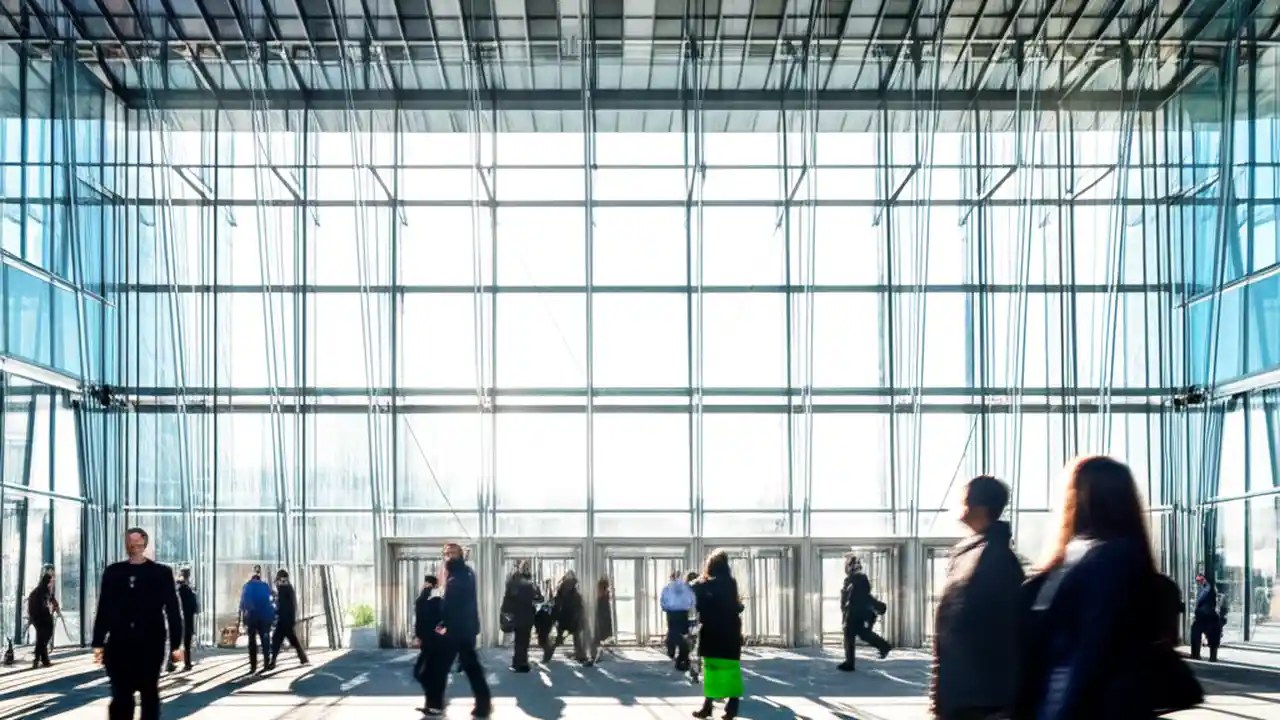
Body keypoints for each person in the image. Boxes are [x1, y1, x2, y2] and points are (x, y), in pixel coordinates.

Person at [1015, 456, 1178, 720]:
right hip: (1067, 701)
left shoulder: (1110, 559)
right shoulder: (1081, 555)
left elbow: (1092, 648)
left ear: (1082, 496)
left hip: (1080, 705)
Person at [929, 475, 1026, 720]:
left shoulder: (996, 558)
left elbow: (1005, 633)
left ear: (980, 507)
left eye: (965, 498)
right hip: (962, 694)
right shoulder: (971, 553)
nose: (959, 504)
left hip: (981, 699)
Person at [91, 528, 183, 720]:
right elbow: (104, 608)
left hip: (150, 643)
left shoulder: (161, 573)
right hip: (119, 643)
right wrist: (98, 642)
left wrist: (176, 644)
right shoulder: (113, 573)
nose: (134, 547)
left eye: (138, 544)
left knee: (149, 691)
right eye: (130, 544)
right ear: (126, 545)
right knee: (121, 694)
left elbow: (173, 610)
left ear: (144, 545)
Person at [438, 542, 491, 718]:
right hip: (461, 628)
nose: (449, 556)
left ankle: (435, 704)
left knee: (444, 667)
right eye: (446, 553)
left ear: (460, 554)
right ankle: (483, 704)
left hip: (459, 629)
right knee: (469, 667)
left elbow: (453, 602)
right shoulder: (460, 572)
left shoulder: (460, 574)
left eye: (452, 553)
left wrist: (441, 618)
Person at [692, 549, 743, 720]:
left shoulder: (706, 585)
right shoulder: (731, 583)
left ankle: (707, 707)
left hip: (713, 633)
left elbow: (696, 595)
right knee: (731, 671)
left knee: (711, 672)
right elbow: (734, 605)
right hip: (730, 633)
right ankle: (732, 708)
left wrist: (699, 581)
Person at [838, 556, 891, 670]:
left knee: (851, 634)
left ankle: (850, 663)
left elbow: (862, 597)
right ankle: (883, 646)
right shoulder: (854, 580)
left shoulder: (857, 580)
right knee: (861, 633)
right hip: (855, 611)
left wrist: (876, 606)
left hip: (855, 612)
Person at [413, 574, 446, 716]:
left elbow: (447, 621)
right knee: (424, 673)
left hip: (434, 644)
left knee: (429, 674)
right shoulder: (425, 601)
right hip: (428, 643)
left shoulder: (437, 602)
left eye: (426, 584)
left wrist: (439, 633)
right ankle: (431, 704)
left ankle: (435, 705)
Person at [500, 562, 540, 673]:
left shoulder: (514, 583)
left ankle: (518, 664)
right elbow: (538, 597)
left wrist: (505, 613)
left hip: (518, 616)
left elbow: (508, 599)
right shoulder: (531, 584)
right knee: (525, 640)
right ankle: (523, 663)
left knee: (519, 641)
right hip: (528, 616)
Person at [546, 570, 589, 664]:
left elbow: (578, 606)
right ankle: (548, 655)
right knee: (560, 639)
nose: (571, 584)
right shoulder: (564, 592)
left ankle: (581, 656)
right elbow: (558, 605)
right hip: (565, 618)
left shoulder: (569, 592)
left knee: (574, 638)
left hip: (569, 618)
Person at [239, 568, 276, 674]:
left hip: (252, 616)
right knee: (265, 639)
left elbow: (243, 603)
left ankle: (253, 665)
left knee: (252, 641)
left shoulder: (247, 586)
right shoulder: (265, 586)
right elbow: (272, 597)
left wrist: (242, 619)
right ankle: (266, 662)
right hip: (264, 616)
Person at [271, 570, 308, 668]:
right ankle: (303, 658)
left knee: (280, 640)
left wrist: (277, 612)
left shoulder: (284, 589)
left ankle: (273, 662)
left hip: (285, 621)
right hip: (287, 620)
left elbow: (283, 605)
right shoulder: (288, 588)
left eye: (279, 579)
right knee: (285, 640)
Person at [661, 569, 696, 671]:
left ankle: (671, 647)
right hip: (683, 613)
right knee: (683, 635)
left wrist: (665, 607)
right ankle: (682, 657)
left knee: (673, 631)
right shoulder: (686, 588)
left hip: (671, 612)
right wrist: (690, 607)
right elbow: (692, 599)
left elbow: (663, 600)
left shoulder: (667, 587)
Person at [26, 568, 58, 669]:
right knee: (44, 636)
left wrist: (54, 604)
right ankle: (37, 659)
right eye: (52, 581)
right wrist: (53, 608)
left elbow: (51, 598)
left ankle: (44, 660)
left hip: (35, 617)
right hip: (41, 617)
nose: (53, 583)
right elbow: (44, 603)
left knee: (42, 637)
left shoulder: (40, 590)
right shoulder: (43, 591)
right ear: (48, 582)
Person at [1190, 573, 1223, 662]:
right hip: (1206, 615)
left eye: (1200, 580)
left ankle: (1197, 654)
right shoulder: (1208, 588)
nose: (1199, 582)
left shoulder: (1207, 588)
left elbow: (1201, 600)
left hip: (1205, 615)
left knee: (1198, 633)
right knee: (1211, 634)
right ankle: (1210, 656)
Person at [173, 569, 200, 672]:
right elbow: (193, 606)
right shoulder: (186, 589)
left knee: (182, 642)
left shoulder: (180, 588)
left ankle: (180, 663)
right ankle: (186, 663)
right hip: (186, 618)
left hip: (182, 618)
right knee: (186, 642)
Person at [592, 576, 613, 662]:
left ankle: (598, 652)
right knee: (602, 634)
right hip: (603, 615)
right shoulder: (605, 593)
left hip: (602, 615)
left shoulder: (602, 593)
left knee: (600, 634)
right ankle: (598, 651)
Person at [533, 579, 555, 662]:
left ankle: (548, 653)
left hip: (544, 618)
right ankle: (548, 652)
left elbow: (550, 602)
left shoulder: (546, 593)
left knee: (543, 638)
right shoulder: (540, 592)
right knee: (543, 638)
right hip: (543, 618)